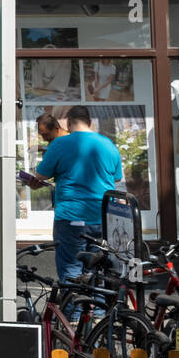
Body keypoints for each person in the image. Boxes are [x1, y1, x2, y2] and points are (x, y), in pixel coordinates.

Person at [34, 105, 125, 285]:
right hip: (102, 218)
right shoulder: (109, 145)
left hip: (71, 218)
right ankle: (98, 313)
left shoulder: (60, 144)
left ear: (67, 122)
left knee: (71, 271)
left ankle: (72, 313)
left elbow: (41, 176)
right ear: (90, 122)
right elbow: (116, 180)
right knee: (97, 272)